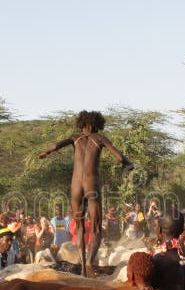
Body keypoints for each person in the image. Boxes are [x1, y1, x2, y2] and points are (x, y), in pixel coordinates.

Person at [39, 111, 133, 275]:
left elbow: (55, 146)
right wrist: (129, 164)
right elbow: (119, 157)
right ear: (97, 125)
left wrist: (45, 152)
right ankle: (90, 261)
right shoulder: (100, 138)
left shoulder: (75, 138)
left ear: (82, 124)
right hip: (91, 185)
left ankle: (83, 267)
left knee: (80, 227)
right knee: (96, 228)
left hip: (75, 186)